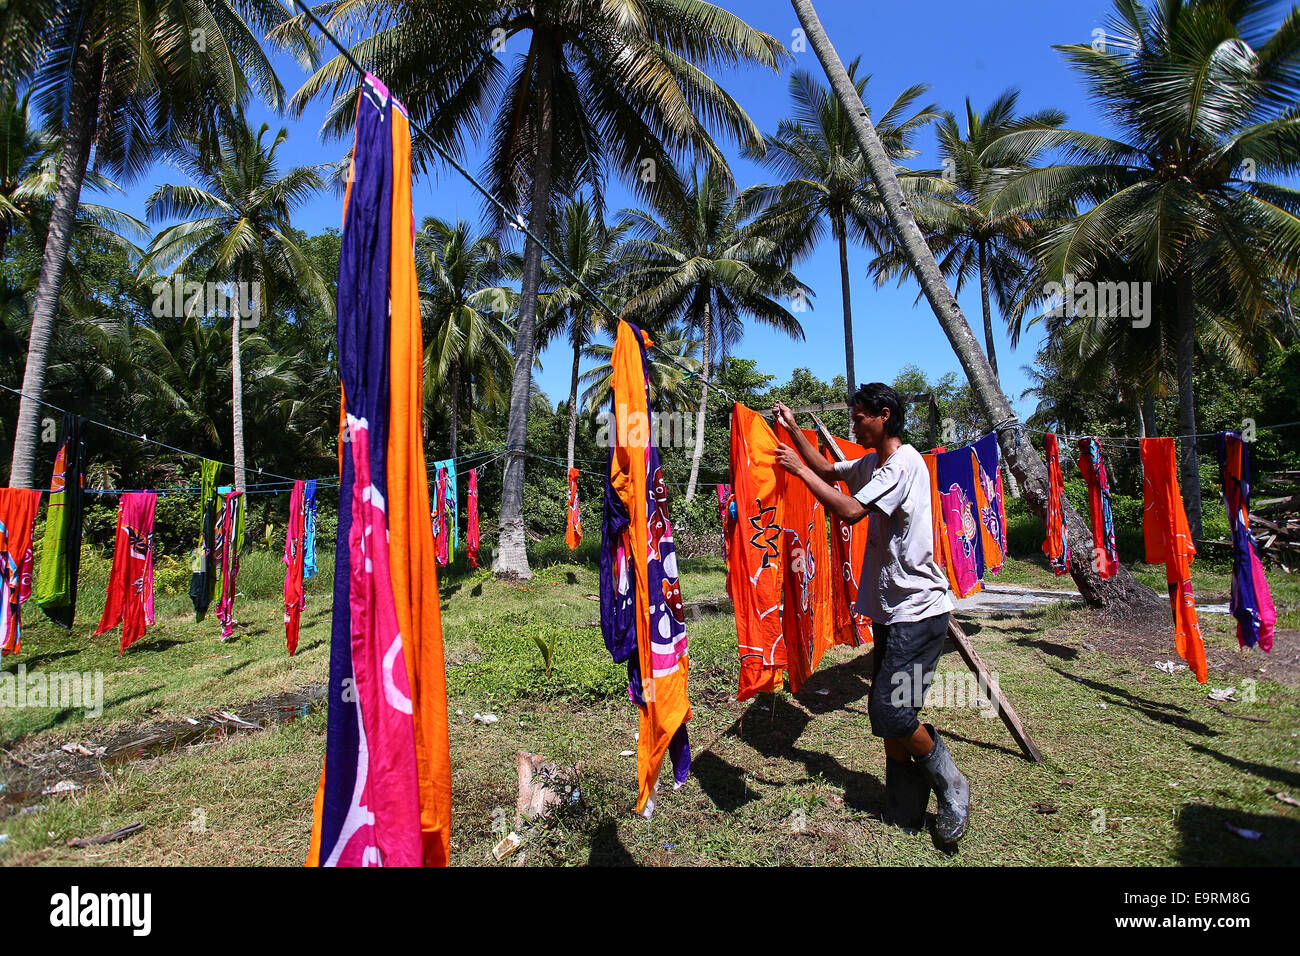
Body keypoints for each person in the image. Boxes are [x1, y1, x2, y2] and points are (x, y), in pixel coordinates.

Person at [772, 383, 970, 844]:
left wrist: (798, 471)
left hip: (919, 612)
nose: (853, 423)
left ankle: (952, 784)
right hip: (891, 611)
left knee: (892, 712)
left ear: (884, 416)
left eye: (859, 416)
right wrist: (795, 430)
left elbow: (848, 511)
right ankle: (904, 806)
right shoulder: (871, 463)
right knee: (894, 711)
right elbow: (829, 469)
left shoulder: (902, 463)